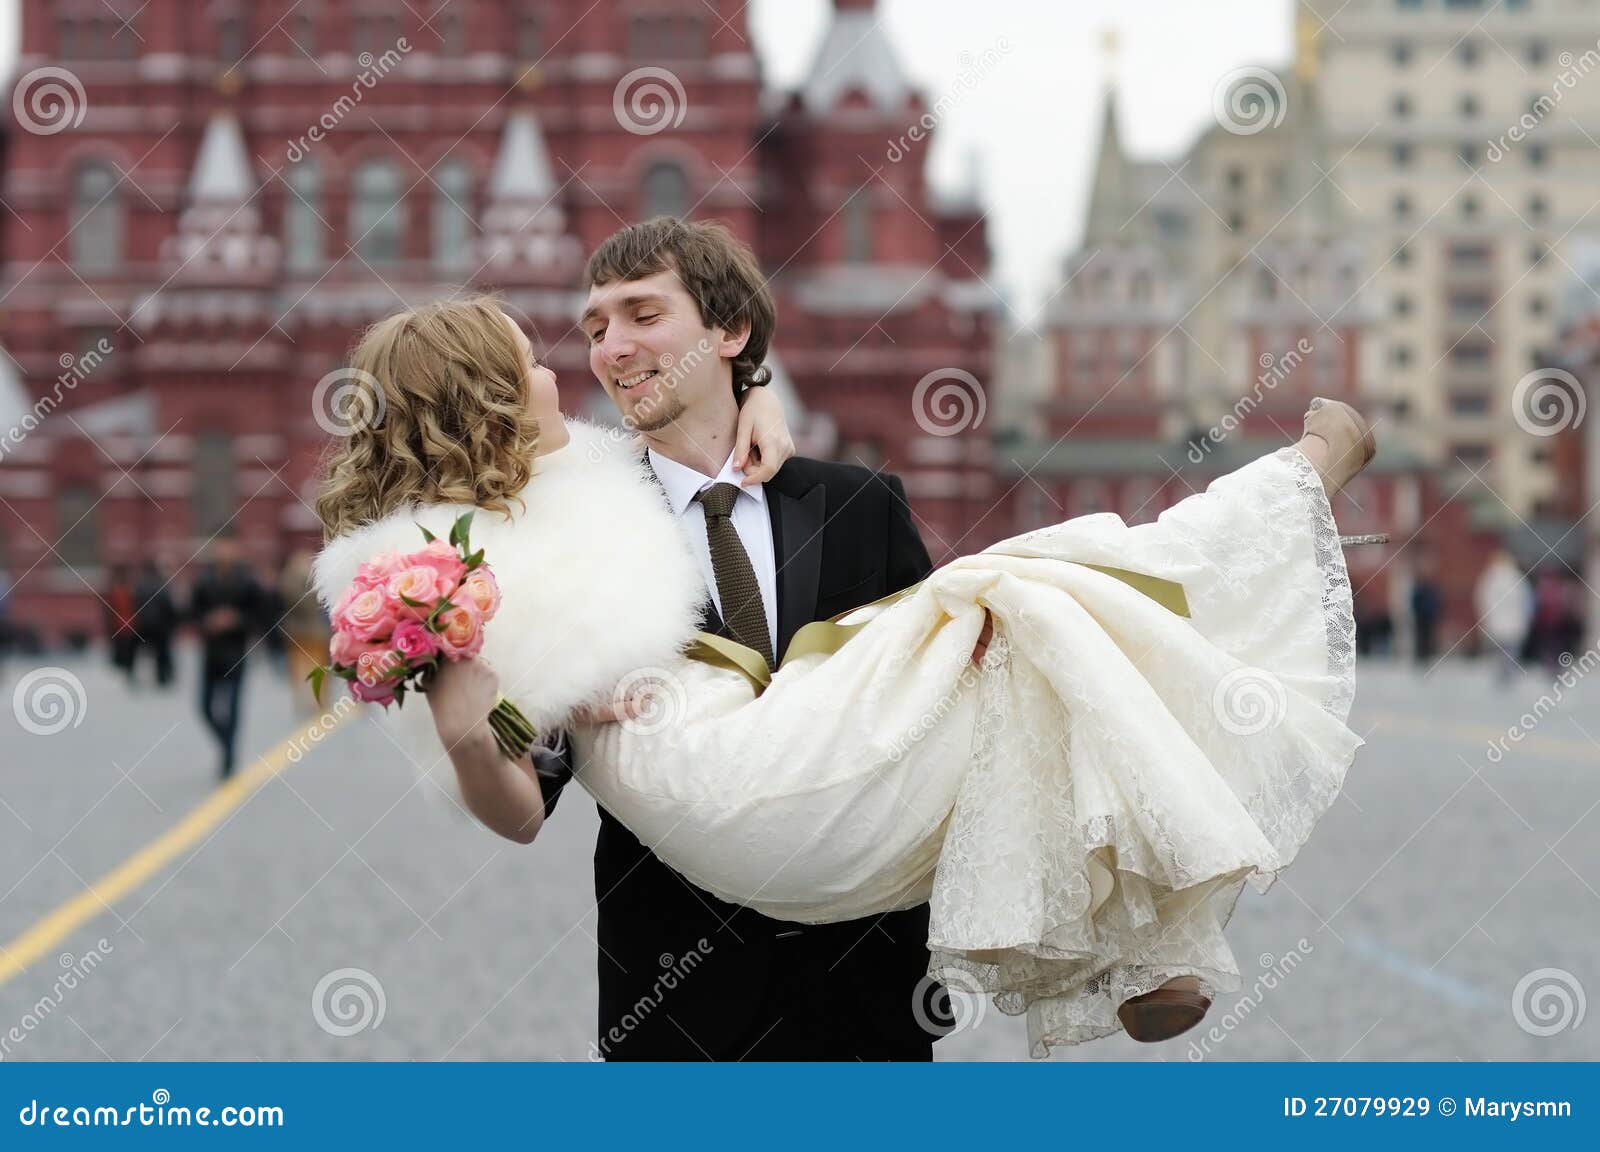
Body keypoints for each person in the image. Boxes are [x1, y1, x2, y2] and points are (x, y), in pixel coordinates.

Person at [313, 253, 1374, 1058]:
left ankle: (1148, 947)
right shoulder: (474, 556)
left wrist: (754, 403)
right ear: (490, 397)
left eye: (637, 318)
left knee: (1023, 622)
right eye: (552, 351)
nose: (582, 360)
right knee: (1029, 590)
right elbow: (519, 803)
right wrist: (466, 729)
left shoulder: (836, 499)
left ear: (725, 337)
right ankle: (1292, 490)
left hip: (863, 985)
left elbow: (939, 737)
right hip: (695, 956)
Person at [190, 535, 263, 779]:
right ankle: (226, 745)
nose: (224, 552)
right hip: (210, 654)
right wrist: (208, 622)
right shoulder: (203, 580)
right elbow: (192, 613)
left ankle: (229, 756)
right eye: (220, 547)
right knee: (204, 708)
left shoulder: (248, 581)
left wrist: (235, 620)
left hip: (236, 654)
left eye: (229, 547)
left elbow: (260, 616)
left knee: (232, 708)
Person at [278, 549, 331, 715]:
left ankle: (308, 698)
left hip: (304, 631)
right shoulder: (310, 579)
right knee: (315, 666)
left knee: (306, 666)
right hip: (310, 631)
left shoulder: (289, 579)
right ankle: (315, 699)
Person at [1474, 548, 1528, 687]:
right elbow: (1524, 602)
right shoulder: (1517, 578)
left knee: (1498, 654)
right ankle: (1508, 678)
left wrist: (1486, 619)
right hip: (1512, 625)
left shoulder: (1489, 578)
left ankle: (1500, 679)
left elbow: (1482, 600)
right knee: (1510, 653)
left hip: (1496, 625)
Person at [133, 559, 178, 688]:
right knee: (162, 651)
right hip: (160, 625)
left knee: (140, 652)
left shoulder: (139, 585)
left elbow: (135, 604)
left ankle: (136, 676)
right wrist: (172, 621)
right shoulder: (161, 584)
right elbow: (168, 604)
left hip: (142, 624)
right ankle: (162, 677)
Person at [103, 564, 139, 683]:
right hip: (126, 626)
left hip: (123, 626)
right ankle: (126, 674)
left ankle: (126, 674)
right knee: (126, 652)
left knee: (124, 651)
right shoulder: (129, 591)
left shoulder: (117, 591)